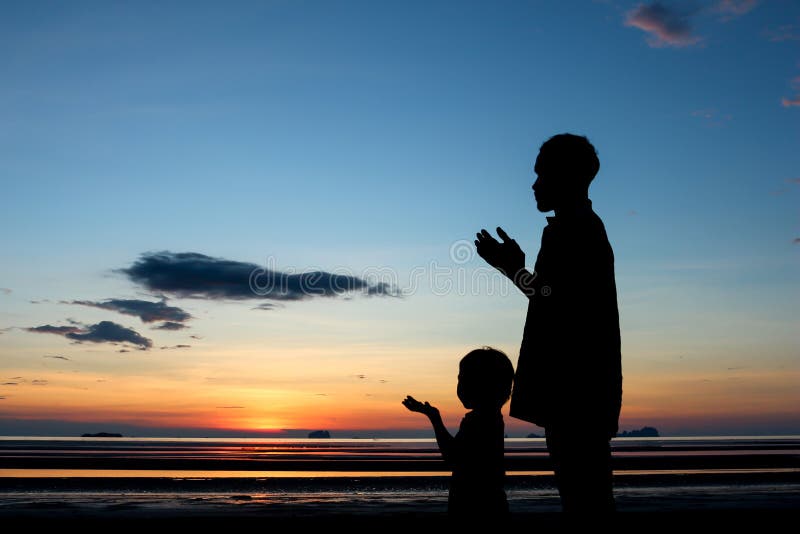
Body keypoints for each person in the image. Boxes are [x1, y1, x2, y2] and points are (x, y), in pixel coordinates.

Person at [474, 133, 622, 513]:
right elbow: (553, 297)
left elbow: (557, 302)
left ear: (567, 177)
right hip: (579, 394)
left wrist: (512, 268)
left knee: (585, 503)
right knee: (585, 500)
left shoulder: (578, 231)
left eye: (542, 175)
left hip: (576, 393)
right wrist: (515, 269)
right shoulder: (575, 228)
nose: (535, 184)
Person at [402, 347, 514, 519]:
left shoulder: (479, 421)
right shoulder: (491, 419)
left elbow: (453, 457)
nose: (460, 387)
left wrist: (434, 418)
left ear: (483, 385)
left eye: (464, 380)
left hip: (472, 503)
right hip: (489, 501)